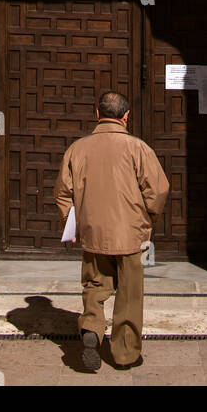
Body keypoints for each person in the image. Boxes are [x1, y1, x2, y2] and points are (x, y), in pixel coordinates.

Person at [54, 90, 170, 371]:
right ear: (126, 117)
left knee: (94, 285)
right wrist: (147, 221)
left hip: (93, 233)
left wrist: (74, 226)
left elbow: (62, 194)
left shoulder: (77, 149)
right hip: (130, 234)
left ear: (97, 113)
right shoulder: (138, 148)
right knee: (129, 294)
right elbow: (158, 190)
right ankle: (124, 353)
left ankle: (92, 328)